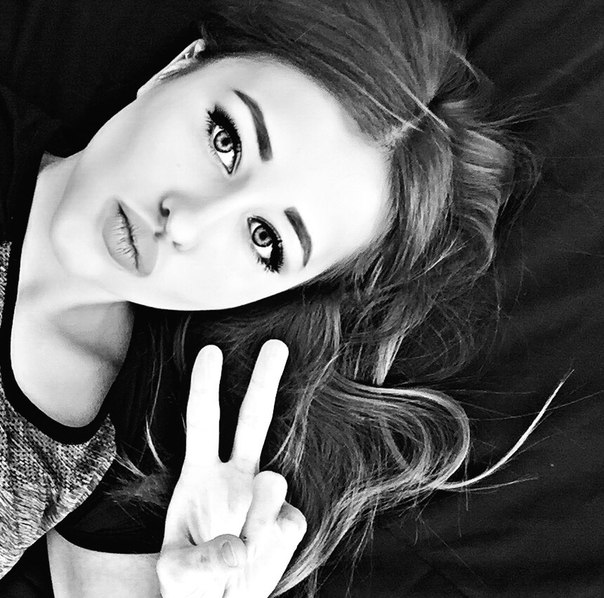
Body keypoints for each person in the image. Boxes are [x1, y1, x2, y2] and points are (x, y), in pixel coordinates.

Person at [0, 0, 569, 595]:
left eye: (264, 239)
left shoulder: (149, 439)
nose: (187, 222)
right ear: (179, 67)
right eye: (226, 140)